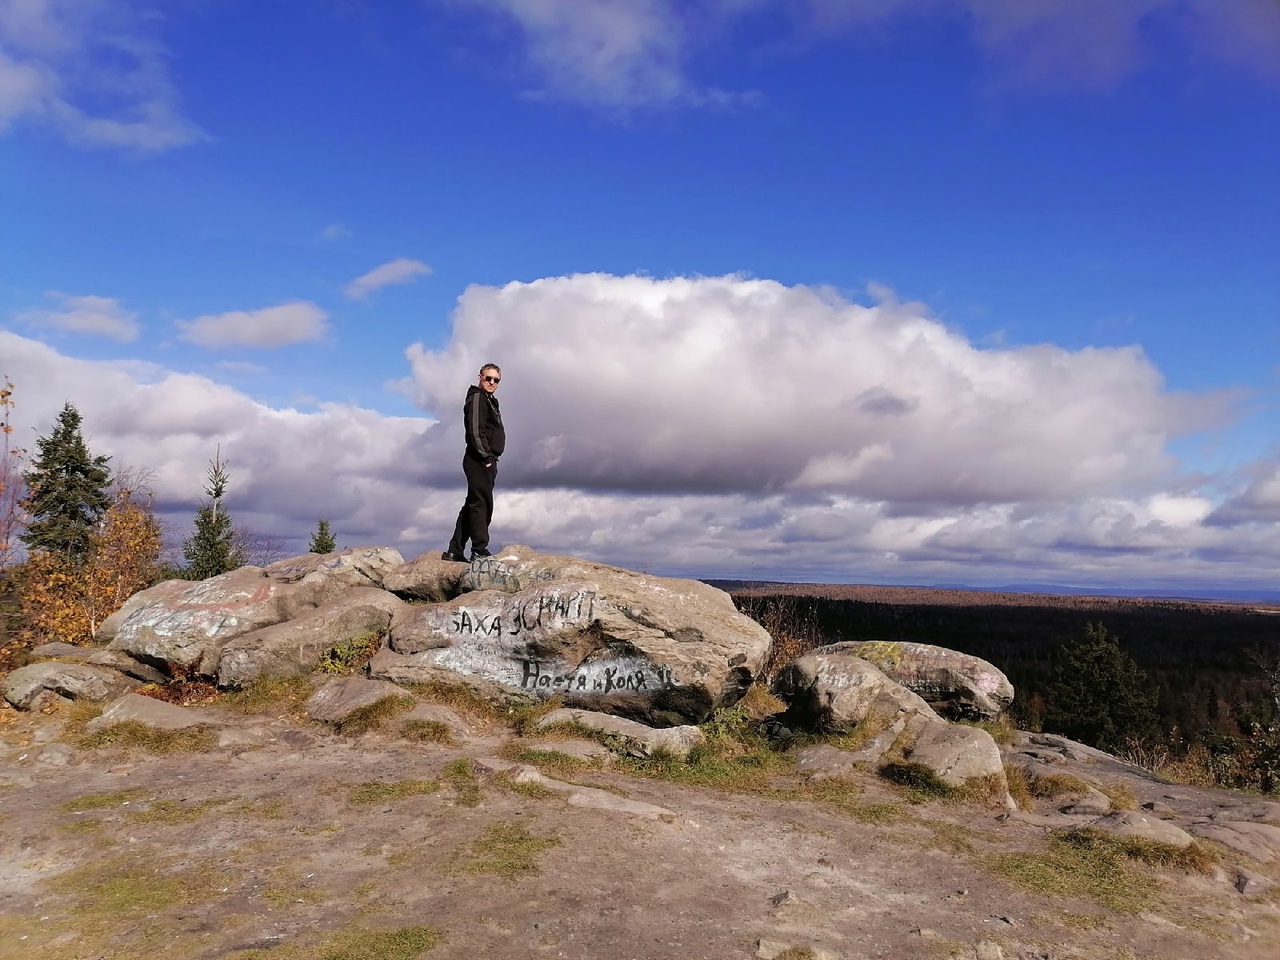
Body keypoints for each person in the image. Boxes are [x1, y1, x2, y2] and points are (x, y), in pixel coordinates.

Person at [442, 363, 506, 562]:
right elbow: (475, 431)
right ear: (480, 377)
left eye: (496, 380)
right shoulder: (478, 398)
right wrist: (486, 457)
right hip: (479, 459)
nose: (492, 382)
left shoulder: (489, 400)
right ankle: (479, 549)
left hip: (485, 459)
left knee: (472, 504)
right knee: (482, 505)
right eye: (488, 378)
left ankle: (455, 550)